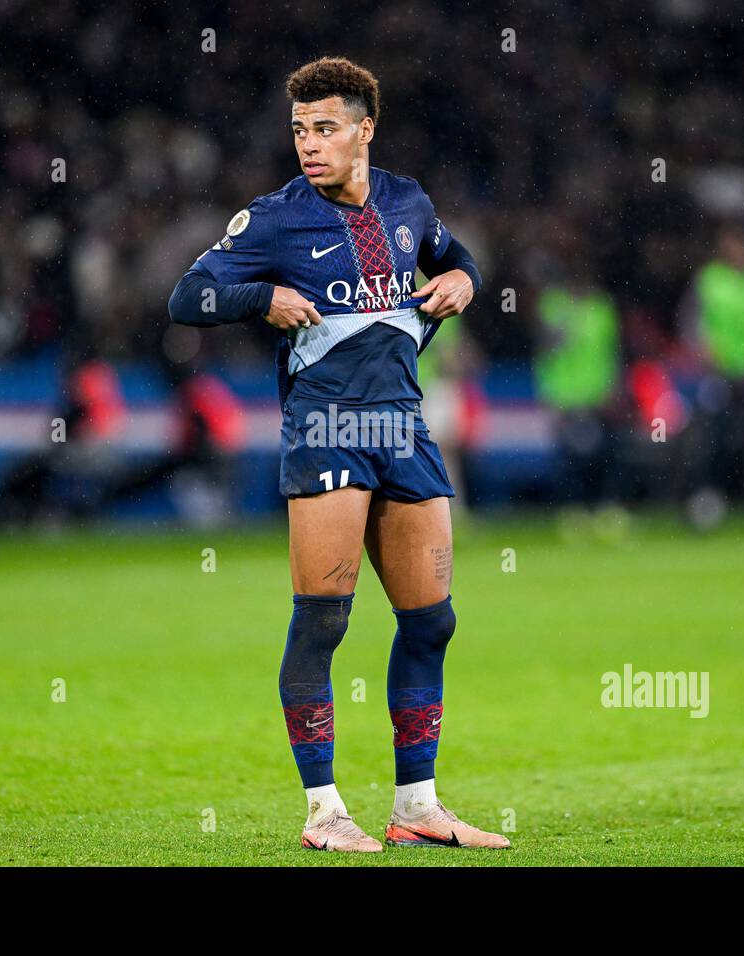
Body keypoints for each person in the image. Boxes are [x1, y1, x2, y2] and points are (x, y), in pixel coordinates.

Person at [168, 57, 508, 851]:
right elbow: (189, 296)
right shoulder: (276, 219)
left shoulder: (407, 201)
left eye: (325, 129)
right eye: (298, 131)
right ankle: (325, 812)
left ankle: (417, 806)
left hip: (404, 427)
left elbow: (457, 259)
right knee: (325, 621)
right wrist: (263, 297)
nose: (309, 145)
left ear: (365, 130)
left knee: (433, 622)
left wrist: (463, 279)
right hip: (326, 428)